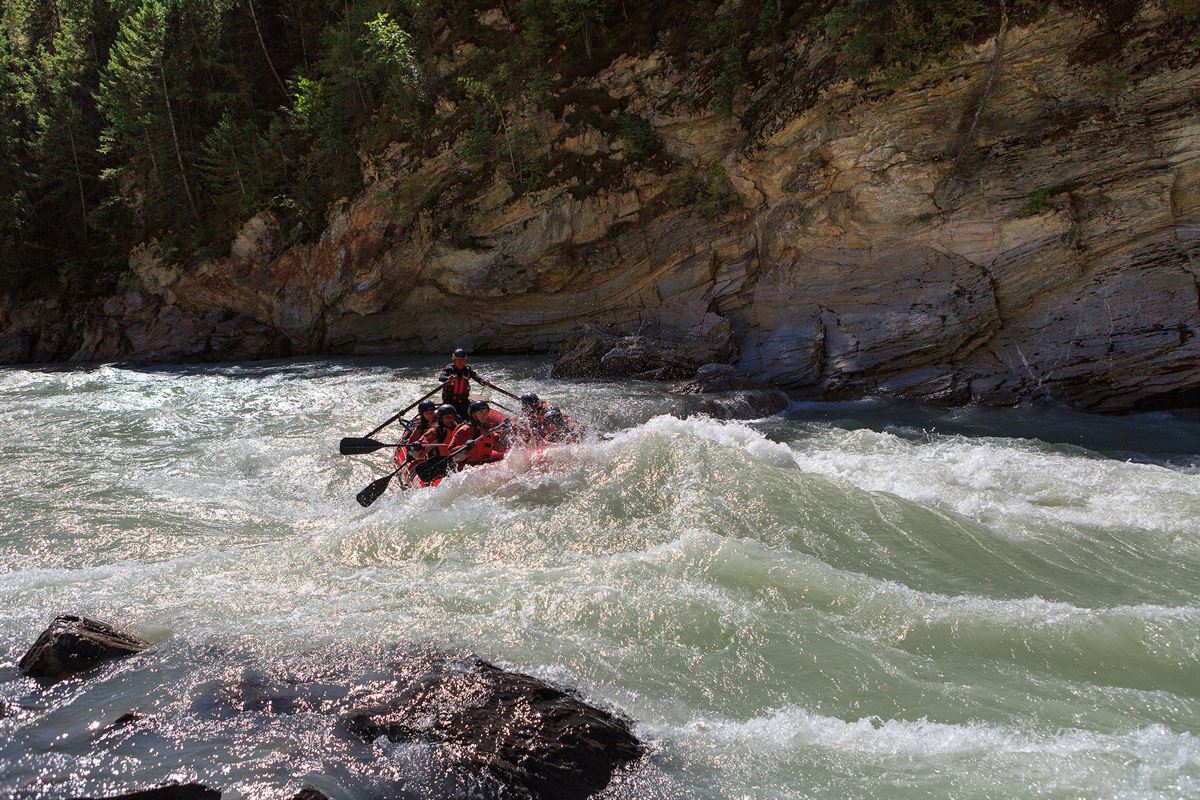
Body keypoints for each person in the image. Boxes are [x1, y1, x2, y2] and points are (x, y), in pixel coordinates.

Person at [449, 400, 510, 466]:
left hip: (483, 465)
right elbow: (452, 454)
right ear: (473, 415)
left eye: (486, 412)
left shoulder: (487, 431)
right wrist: (465, 447)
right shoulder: (465, 430)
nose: (485, 415)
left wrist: (505, 432)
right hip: (468, 467)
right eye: (481, 412)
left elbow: (500, 447)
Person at [440, 348, 493, 417]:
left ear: (465, 360)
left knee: (473, 414)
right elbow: (441, 377)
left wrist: (482, 381)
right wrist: (448, 379)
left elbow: (476, 376)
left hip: (463, 400)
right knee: (453, 416)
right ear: (454, 360)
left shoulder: (467, 370)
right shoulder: (448, 369)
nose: (460, 362)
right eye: (458, 360)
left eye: (462, 360)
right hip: (449, 401)